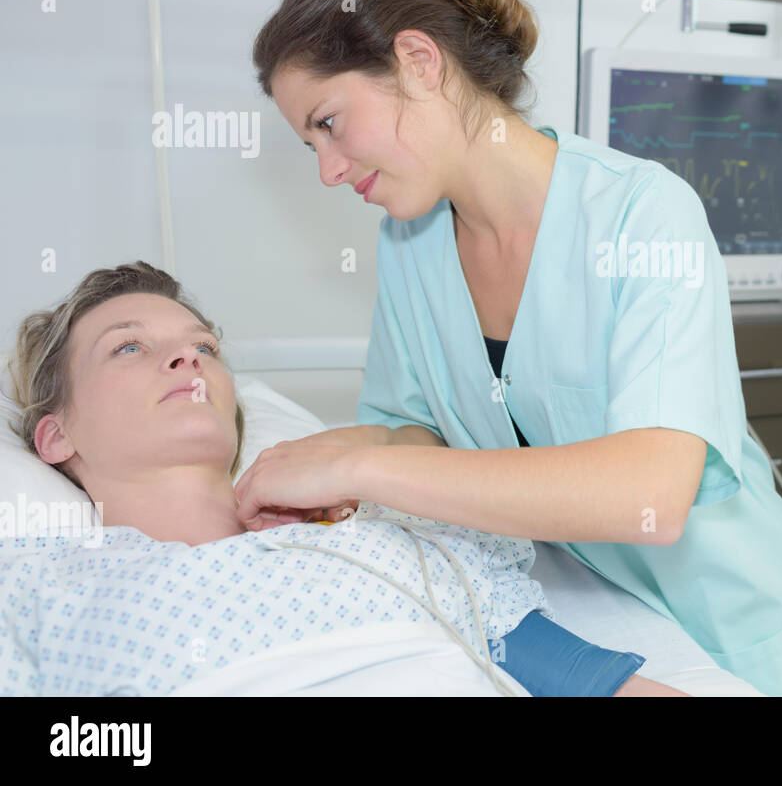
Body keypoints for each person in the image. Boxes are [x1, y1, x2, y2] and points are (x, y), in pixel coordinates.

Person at [236, 0, 782, 696]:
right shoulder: (411, 240)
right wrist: (321, 460)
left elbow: (652, 494)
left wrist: (361, 466)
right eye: (310, 147)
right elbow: (414, 425)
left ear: (419, 62)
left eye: (329, 123)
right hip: (594, 619)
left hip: (730, 634)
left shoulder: (640, 214)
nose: (330, 171)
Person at [4, 262, 684, 696]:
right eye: (129, 346)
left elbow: (588, 681)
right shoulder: (44, 589)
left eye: (205, 347)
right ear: (55, 434)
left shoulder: (382, 542)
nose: (187, 355)